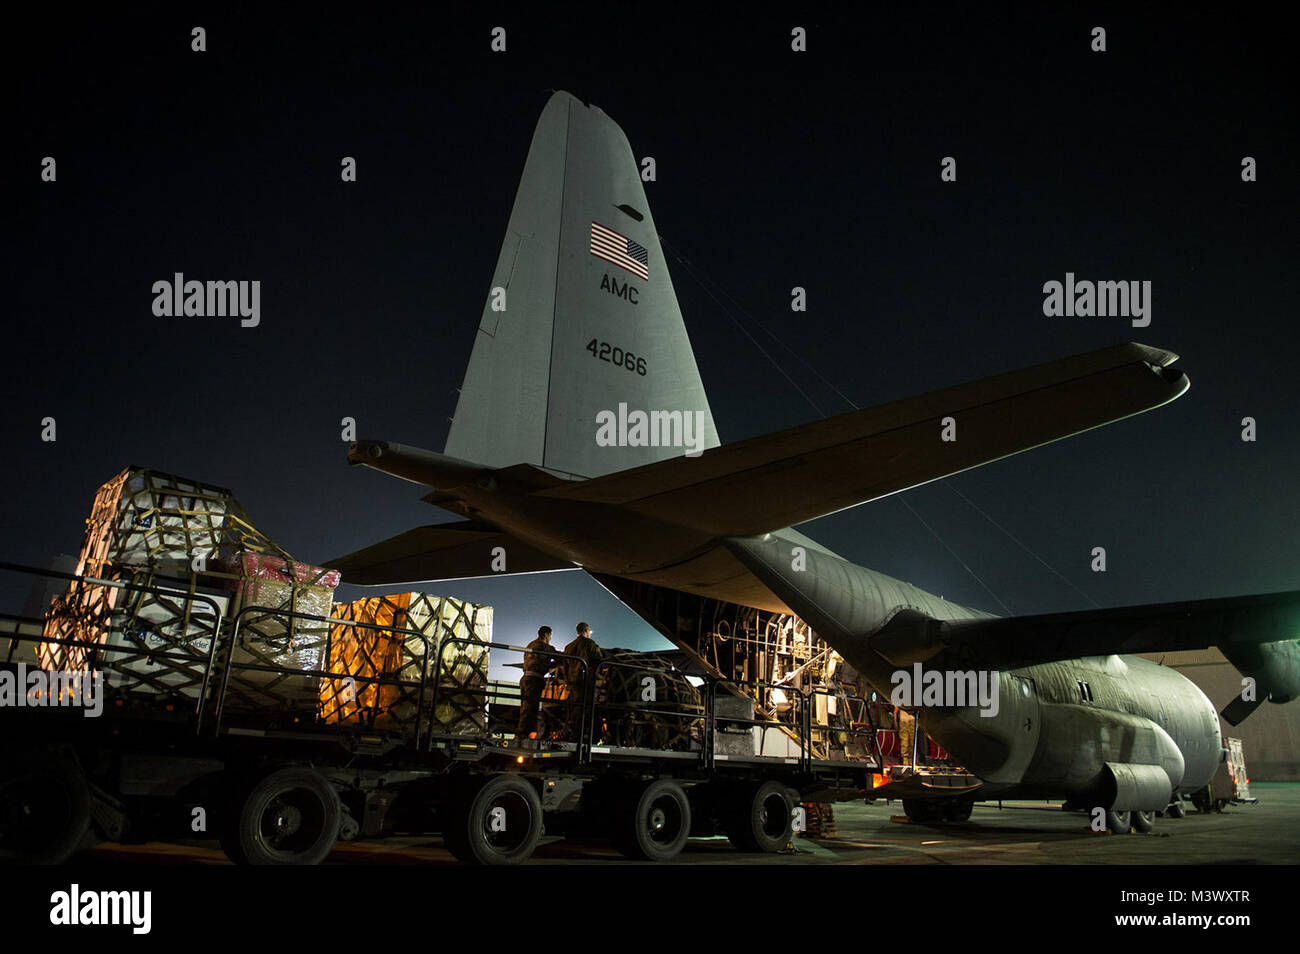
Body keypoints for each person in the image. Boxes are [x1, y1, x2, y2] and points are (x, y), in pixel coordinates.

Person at [562, 622, 602, 737]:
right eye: (589, 631)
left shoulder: (568, 646)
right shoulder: (590, 643)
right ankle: (581, 735)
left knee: (574, 709)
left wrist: (568, 681)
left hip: (572, 684)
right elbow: (599, 660)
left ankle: (573, 733)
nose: (590, 634)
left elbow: (565, 667)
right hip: (585, 683)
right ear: (586, 631)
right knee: (586, 709)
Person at [516, 626, 556, 740]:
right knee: (531, 709)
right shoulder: (544, 647)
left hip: (525, 678)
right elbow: (558, 656)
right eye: (550, 636)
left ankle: (522, 732)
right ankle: (524, 734)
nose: (550, 638)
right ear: (546, 634)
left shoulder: (531, 644)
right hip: (534, 680)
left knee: (525, 707)